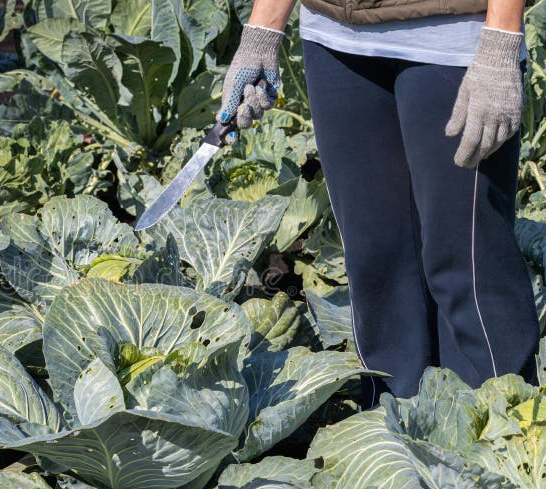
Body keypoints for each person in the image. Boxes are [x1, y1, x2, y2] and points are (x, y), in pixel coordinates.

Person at [218, 0, 540, 409]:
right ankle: (395, 432)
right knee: (376, 263)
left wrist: (501, 39)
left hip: (454, 37)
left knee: (468, 265)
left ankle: (497, 435)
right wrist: (263, 29)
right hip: (335, 39)